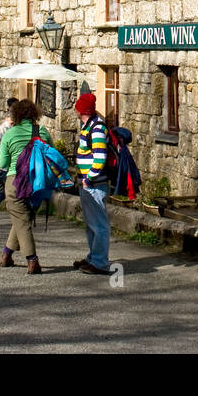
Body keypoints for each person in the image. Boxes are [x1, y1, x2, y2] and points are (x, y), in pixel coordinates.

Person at [0, 98, 51, 274]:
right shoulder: (41, 131)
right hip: (36, 182)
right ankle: (6, 255)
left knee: (22, 219)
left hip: (15, 181)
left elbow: (2, 162)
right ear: (35, 113)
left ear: (16, 114)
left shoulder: (10, 134)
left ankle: (32, 260)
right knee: (22, 217)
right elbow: (51, 153)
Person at [73, 91, 112, 275]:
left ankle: (100, 262)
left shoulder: (97, 128)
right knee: (91, 224)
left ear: (82, 111)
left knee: (99, 224)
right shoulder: (89, 126)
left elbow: (100, 157)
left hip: (95, 184)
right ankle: (93, 257)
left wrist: (89, 178)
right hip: (89, 183)